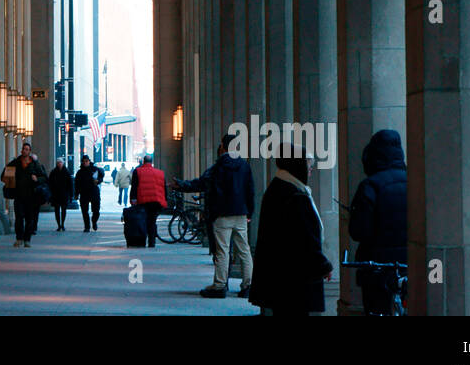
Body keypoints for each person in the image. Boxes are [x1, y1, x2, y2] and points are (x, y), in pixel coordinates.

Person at [247, 147, 333, 316]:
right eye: (306, 164)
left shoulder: (279, 189)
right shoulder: (295, 195)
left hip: (281, 276)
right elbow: (306, 239)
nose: (310, 169)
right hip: (294, 278)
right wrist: (324, 265)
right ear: (297, 165)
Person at [174, 135, 254, 298]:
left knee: (222, 250)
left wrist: (181, 185)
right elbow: (250, 191)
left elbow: (202, 183)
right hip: (240, 213)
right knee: (244, 249)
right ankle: (248, 285)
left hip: (222, 213)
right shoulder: (245, 166)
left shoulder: (218, 166)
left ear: (223, 147)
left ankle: (219, 285)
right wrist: (249, 212)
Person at [348, 129, 407, 314]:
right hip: (409, 264)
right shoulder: (415, 181)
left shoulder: (370, 185)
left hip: (377, 268)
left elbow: (359, 231)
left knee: (376, 309)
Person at [3, 142, 47, 247]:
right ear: (21, 151)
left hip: (31, 196)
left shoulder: (35, 164)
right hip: (18, 195)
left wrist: (37, 179)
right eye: (24, 149)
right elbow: (4, 175)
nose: (25, 151)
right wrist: (8, 179)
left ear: (29, 151)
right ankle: (19, 238)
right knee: (19, 217)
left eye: (27, 149)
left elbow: (44, 177)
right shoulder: (15, 163)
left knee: (29, 219)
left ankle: (27, 239)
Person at [130, 153, 168, 247]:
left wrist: (133, 199)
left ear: (143, 162)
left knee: (142, 220)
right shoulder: (160, 173)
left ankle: (142, 240)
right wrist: (165, 200)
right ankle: (152, 241)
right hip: (155, 201)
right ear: (151, 162)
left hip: (143, 200)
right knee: (152, 221)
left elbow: (134, 186)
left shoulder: (137, 171)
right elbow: (163, 188)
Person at [75, 155, 104, 232]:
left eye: (86, 161)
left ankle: (94, 221)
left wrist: (98, 181)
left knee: (96, 211)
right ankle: (87, 226)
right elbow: (77, 184)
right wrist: (76, 194)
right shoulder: (80, 172)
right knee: (84, 211)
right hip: (84, 193)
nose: (85, 163)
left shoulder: (95, 169)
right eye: (83, 161)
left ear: (89, 161)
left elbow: (101, 176)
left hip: (94, 192)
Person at [48, 159, 74, 231]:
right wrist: (50, 195)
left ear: (63, 163)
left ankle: (62, 224)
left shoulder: (66, 172)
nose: (59, 164)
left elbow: (70, 185)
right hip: (55, 194)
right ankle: (59, 225)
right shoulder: (53, 172)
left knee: (63, 210)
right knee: (56, 210)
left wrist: (71, 195)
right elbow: (50, 183)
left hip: (64, 194)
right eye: (58, 163)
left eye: (60, 162)